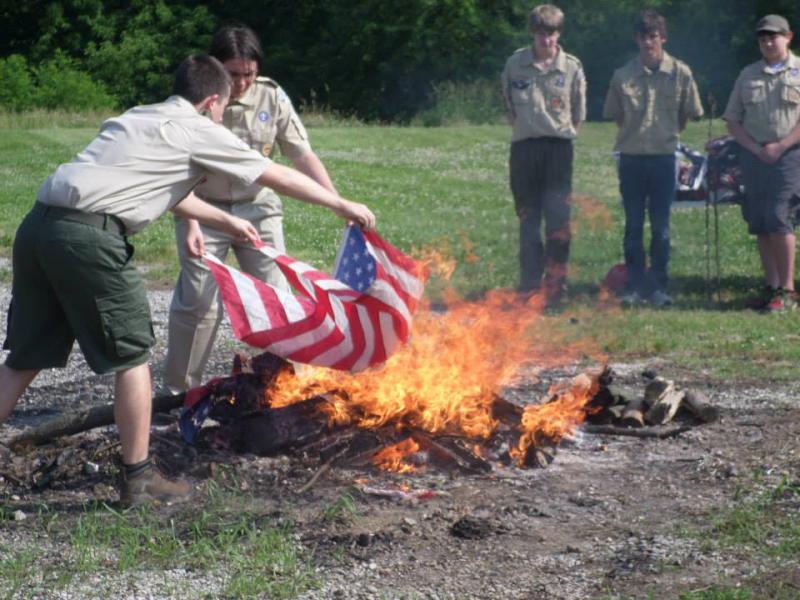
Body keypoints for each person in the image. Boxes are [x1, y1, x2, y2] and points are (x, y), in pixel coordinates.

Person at [0, 55, 375, 507]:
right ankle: (138, 480)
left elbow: (159, 189)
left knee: (25, 357)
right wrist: (340, 204)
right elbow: (273, 174)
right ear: (212, 101)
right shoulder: (199, 128)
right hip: (88, 239)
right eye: (222, 107)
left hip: (38, 228)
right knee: (133, 356)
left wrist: (225, 221)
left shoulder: (137, 117)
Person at [164, 26, 341, 393]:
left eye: (249, 73)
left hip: (257, 210)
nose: (242, 82)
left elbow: (300, 154)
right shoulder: (198, 99)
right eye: (233, 74)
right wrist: (191, 221)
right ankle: (180, 393)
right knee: (197, 300)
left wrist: (337, 202)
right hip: (204, 210)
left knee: (275, 296)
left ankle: (280, 386)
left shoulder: (272, 97)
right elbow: (177, 169)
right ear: (216, 68)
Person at [603, 10, 704, 307]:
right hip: (632, 159)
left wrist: (664, 136)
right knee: (633, 225)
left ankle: (658, 286)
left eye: (654, 36)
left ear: (663, 37)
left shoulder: (681, 73)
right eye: (643, 36)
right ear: (636, 39)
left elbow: (688, 114)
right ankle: (634, 286)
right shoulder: (622, 76)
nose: (649, 42)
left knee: (661, 227)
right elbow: (617, 116)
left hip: (663, 160)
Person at [501, 4, 586, 309]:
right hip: (524, 150)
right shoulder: (515, 64)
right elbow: (508, 104)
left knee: (558, 223)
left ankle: (556, 288)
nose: (546, 40)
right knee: (528, 222)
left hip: (558, 151)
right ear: (532, 33)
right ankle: (528, 287)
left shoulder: (572, 67)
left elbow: (578, 113)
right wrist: (529, 130)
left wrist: (558, 133)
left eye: (551, 33)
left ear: (558, 33)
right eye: (540, 33)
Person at [723, 14, 800, 312]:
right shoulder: (748, 74)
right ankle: (770, 287)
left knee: (780, 217)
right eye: (763, 38)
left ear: (788, 37)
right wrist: (756, 149)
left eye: (774, 36)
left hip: (790, 155)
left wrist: (780, 146)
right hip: (754, 156)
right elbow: (732, 119)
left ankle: (788, 290)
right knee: (761, 222)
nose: (768, 42)